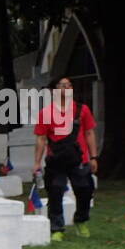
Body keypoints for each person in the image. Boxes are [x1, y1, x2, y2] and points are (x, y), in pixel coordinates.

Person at [32, 77, 97, 240]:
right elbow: (41, 139)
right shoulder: (46, 113)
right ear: (54, 90)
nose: (66, 88)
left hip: (79, 158)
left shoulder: (82, 110)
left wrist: (94, 157)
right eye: (62, 85)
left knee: (84, 190)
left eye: (69, 85)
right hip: (56, 159)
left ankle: (81, 220)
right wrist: (37, 162)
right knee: (55, 191)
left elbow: (89, 133)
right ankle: (57, 228)